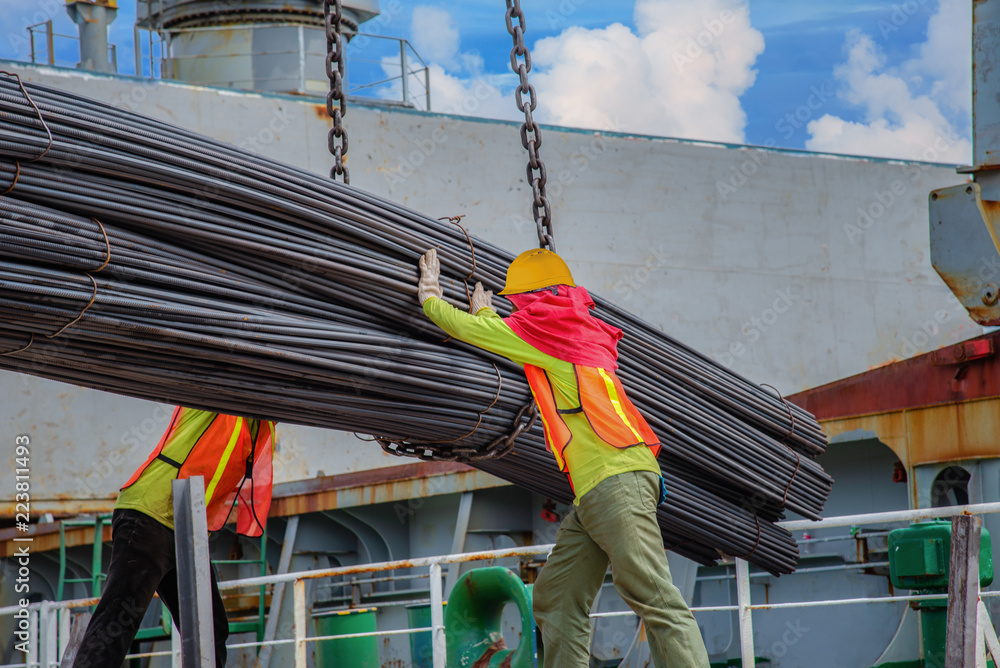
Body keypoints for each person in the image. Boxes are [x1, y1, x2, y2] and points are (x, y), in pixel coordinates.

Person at [417, 247, 710, 667]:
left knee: (653, 595)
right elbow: (514, 342)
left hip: (615, 483)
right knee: (556, 595)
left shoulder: (545, 339)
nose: (519, 308)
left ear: (533, 299)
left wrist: (431, 298)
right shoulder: (577, 334)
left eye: (520, 301)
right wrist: (489, 318)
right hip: (601, 488)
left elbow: (475, 333)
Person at [73, 408, 276, 668]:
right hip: (151, 513)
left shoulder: (257, 420)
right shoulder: (218, 397)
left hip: (187, 529)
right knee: (117, 621)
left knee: (210, 629)